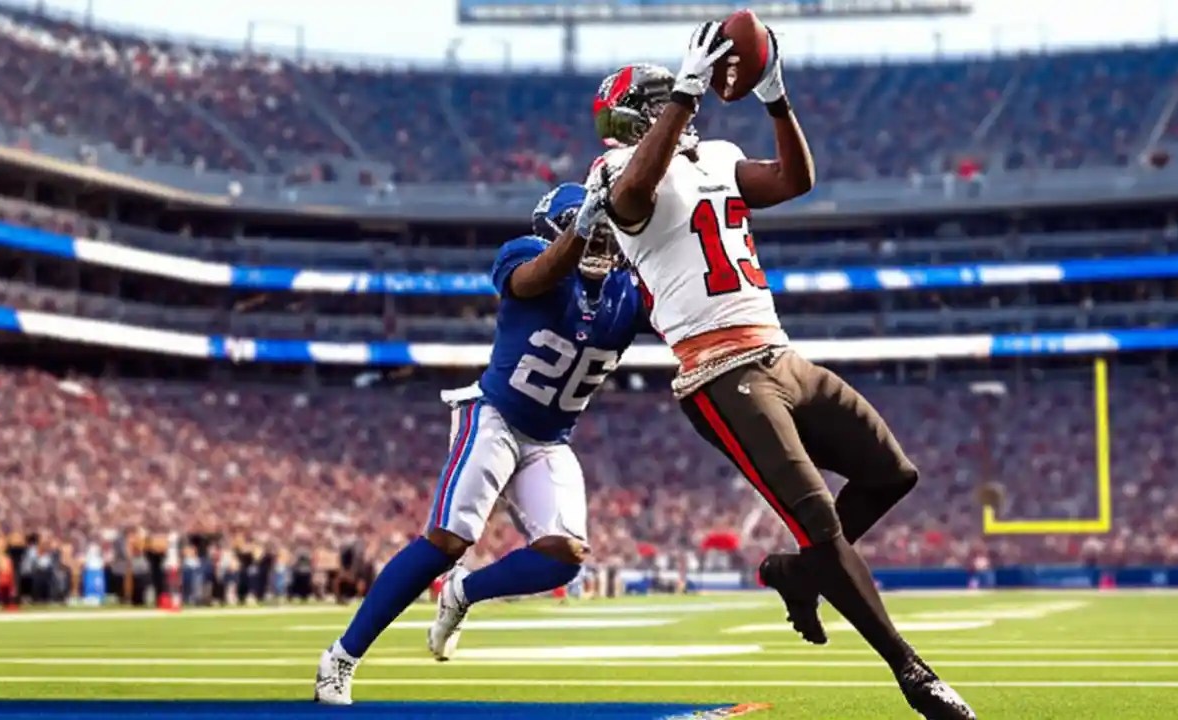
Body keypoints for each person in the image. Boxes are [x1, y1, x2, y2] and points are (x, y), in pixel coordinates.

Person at [588, 22, 976, 720]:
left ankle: (798, 574)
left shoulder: (716, 157)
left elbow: (794, 180)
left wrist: (775, 97)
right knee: (820, 520)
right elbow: (634, 199)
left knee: (893, 473)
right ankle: (912, 672)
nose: (693, 110)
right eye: (670, 103)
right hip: (717, 372)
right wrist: (680, 92)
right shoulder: (615, 171)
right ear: (638, 115)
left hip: (780, 353)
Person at [314, 183, 644, 705]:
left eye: (609, 233)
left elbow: (681, 305)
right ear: (559, 229)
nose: (601, 243)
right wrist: (583, 229)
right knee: (448, 540)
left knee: (565, 556)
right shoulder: (525, 254)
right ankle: (341, 657)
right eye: (590, 230)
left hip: (551, 438)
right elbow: (534, 279)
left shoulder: (629, 291)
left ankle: (465, 592)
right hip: (494, 415)